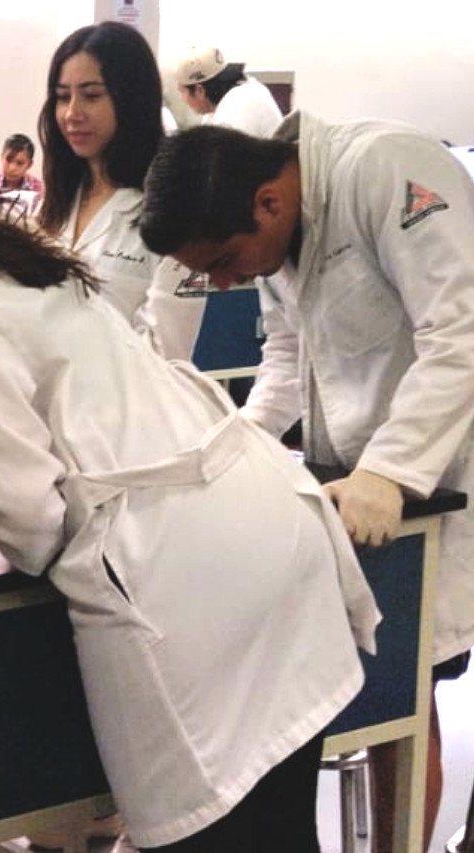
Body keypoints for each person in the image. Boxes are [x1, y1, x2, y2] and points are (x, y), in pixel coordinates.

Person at [0, 89, 379, 852]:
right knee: (281, 834)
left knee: (217, 833)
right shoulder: (16, 254)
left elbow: (25, 507)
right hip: (268, 522)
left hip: (183, 578)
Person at [139, 117, 474, 852]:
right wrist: (236, 453)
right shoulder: (278, 236)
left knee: (407, 695)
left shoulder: (383, 172)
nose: (226, 281)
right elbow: (287, 356)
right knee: (385, 690)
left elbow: (462, 331)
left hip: (442, 474)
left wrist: (391, 467)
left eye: (225, 260)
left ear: (267, 201)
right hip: (363, 494)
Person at [38, 22, 203, 361]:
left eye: (91, 95)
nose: (72, 113)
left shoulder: (172, 207)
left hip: (129, 407)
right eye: (62, 97)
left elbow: (166, 352)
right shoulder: (56, 205)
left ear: (132, 99)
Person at [174, 46, 282, 138]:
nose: (183, 99)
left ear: (200, 90)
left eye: (182, 91)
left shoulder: (236, 110)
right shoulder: (245, 90)